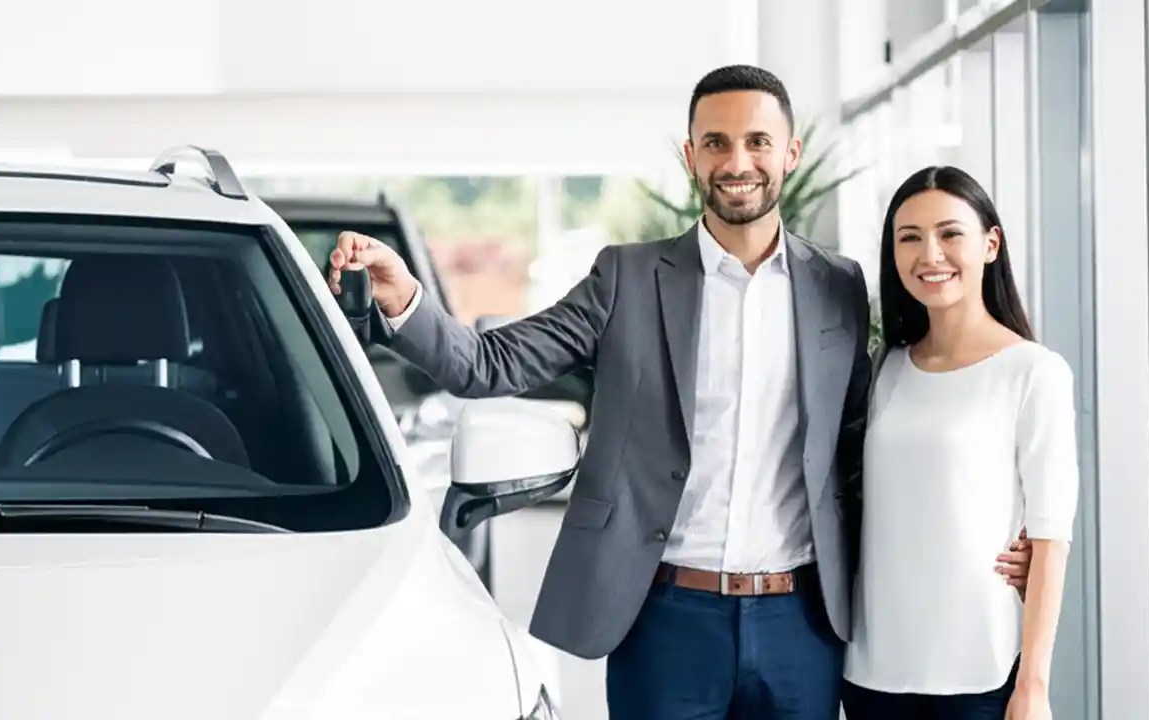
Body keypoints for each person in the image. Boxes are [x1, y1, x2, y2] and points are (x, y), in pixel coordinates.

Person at [327, 66, 1034, 719]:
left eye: (758, 141)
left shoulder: (839, 286)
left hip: (802, 625)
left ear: (789, 153)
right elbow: (489, 363)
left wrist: (973, 536)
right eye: (717, 142)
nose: (737, 162)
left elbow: (862, 448)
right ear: (690, 156)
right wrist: (407, 301)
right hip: (664, 616)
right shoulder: (627, 279)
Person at [840, 166, 1079, 720]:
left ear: (990, 243)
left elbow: (1050, 539)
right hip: (872, 675)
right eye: (910, 237)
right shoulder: (885, 368)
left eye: (950, 234)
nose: (930, 254)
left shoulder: (1033, 372)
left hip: (980, 675)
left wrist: (1033, 686)